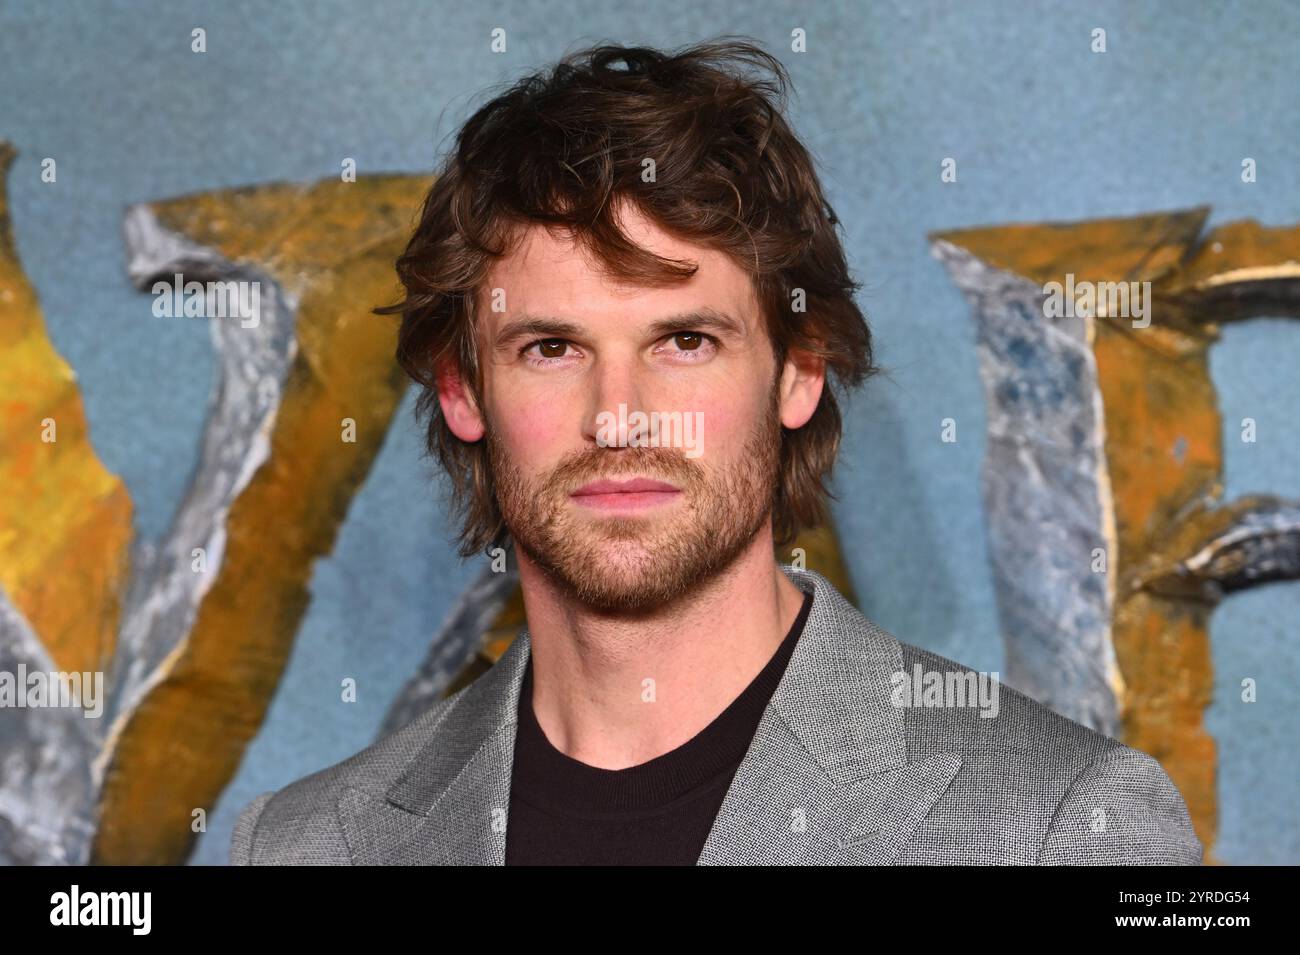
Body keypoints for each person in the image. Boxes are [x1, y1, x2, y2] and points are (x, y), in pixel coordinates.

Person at [230, 39, 1201, 866]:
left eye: (684, 341)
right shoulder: (308, 844)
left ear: (797, 373)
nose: (620, 416)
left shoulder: (1061, 825)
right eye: (552, 347)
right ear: (460, 389)